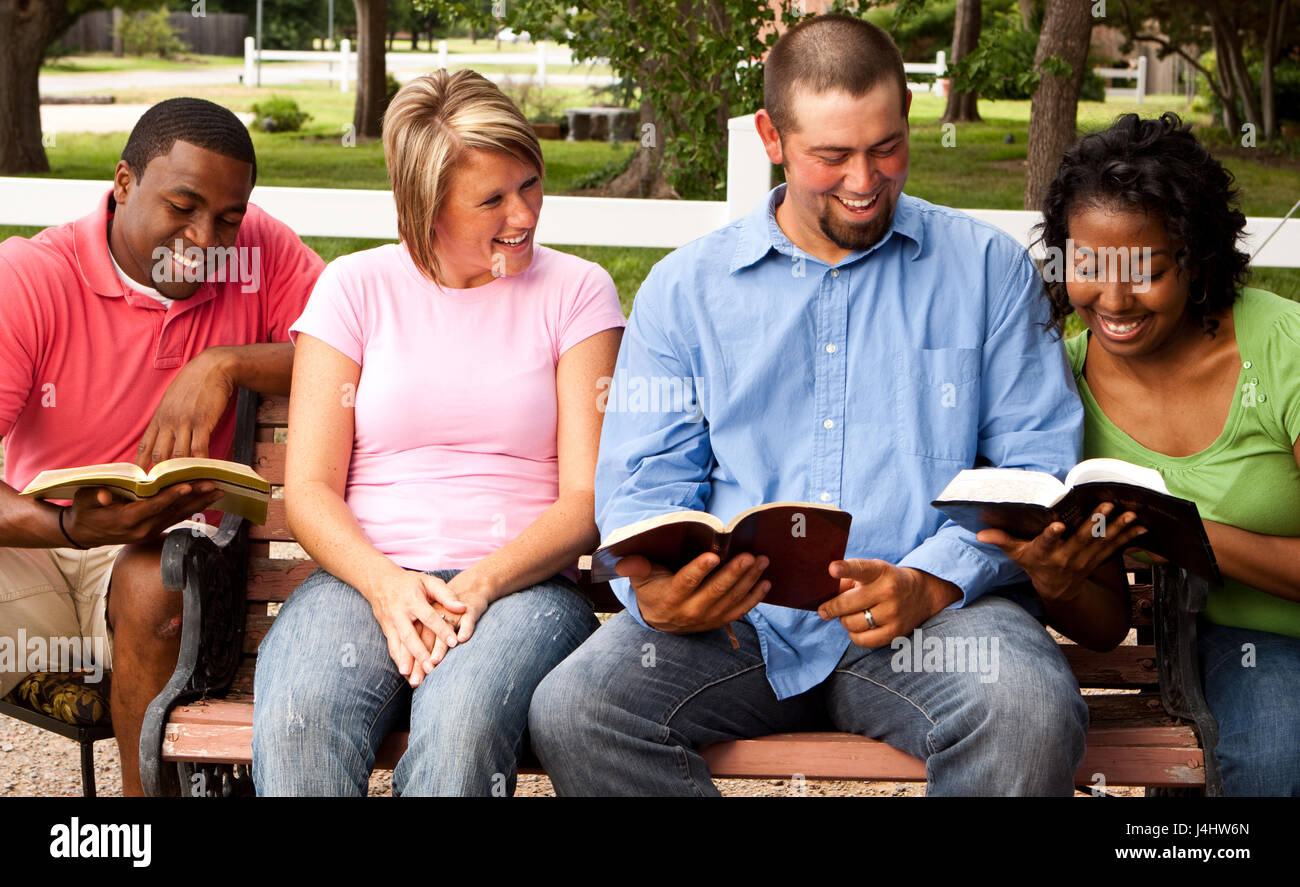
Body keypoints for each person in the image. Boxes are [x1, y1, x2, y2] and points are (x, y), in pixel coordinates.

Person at [528, 13, 1090, 796]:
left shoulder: (987, 268)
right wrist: (656, 590)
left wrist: (931, 579)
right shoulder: (687, 289)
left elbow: (1035, 471)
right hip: (735, 626)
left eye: (887, 147)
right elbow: (644, 488)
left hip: (930, 618)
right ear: (771, 137)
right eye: (833, 157)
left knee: (1026, 707)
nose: (865, 182)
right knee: (578, 709)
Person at [250, 70, 625, 797]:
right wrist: (390, 588)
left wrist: (478, 584)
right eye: (491, 199)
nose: (523, 214)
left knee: (459, 726)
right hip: (361, 581)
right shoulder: (354, 288)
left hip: (523, 587)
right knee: (300, 721)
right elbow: (312, 488)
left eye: (530, 184)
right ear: (425, 207)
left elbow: (586, 497)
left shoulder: (577, 292)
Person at [0, 97, 325, 795]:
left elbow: (350, 348)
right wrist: (66, 523)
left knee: (156, 571)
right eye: (183, 206)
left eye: (228, 218)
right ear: (123, 184)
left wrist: (224, 363)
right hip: (38, 547)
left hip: (169, 565)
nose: (206, 238)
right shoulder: (30, 276)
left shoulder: (258, 247)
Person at [978, 112, 1300, 796]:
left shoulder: (1282, 346)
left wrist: (1188, 532)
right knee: (1279, 758)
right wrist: (1059, 581)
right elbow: (1107, 626)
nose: (1114, 299)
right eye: (1090, 266)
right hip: (1245, 644)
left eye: (1146, 271)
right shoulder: (1059, 385)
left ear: (1197, 258)